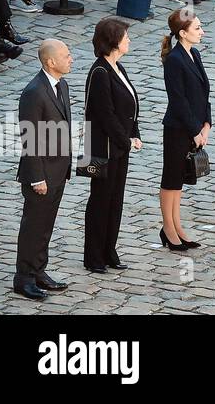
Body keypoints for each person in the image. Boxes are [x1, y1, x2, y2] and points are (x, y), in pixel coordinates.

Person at [13, 39, 74, 301]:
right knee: (33, 226)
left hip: (58, 170)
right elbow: (30, 139)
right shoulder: (34, 92)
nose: (71, 58)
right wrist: (37, 177)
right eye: (66, 55)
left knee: (46, 225)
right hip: (41, 174)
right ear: (50, 61)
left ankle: (38, 270)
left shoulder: (62, 85)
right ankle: (24, 277)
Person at [81, 17, 140, 274]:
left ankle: (109, 250)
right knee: (100, 201)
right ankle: (94, 255)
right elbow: (105, 114)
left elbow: (130, 106)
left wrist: (134, 134)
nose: (129, 40)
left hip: (119, 147)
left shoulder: (117, 67)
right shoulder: (100, 72)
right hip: (102, 148)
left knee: (115, 200)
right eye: (125, 36)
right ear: (114, 41)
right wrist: (124, 139)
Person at [160, 8, 209, 252]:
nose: (202, 31)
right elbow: (178, 100)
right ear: (182, 33)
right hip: (178, 128)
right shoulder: (175, 60)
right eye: (197, 28)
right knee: (171, 179)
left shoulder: (194, 54)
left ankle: (177, 225)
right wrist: (194, 130)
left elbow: (203, 92)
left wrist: (206, 124)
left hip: (194, 128)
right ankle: (168, 227)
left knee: (179, 181)